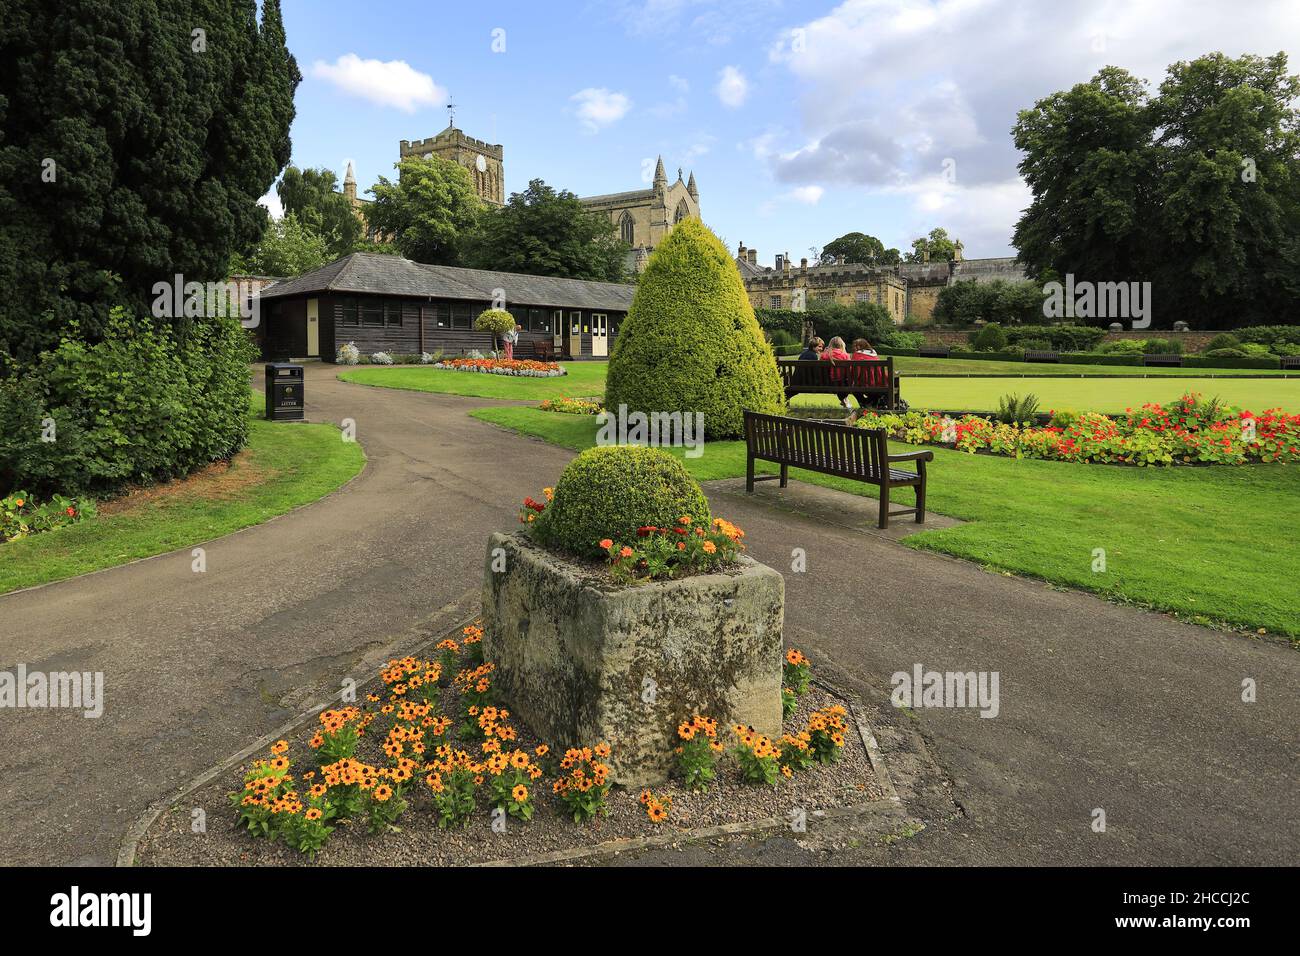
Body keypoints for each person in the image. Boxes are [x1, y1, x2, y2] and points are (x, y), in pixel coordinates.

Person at [819, 336, 852, 409]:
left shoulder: (824, 355)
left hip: (826, 383)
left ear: (830, 344)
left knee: (839, 383)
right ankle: (845, 400)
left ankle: (844, 401)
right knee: (843, 382)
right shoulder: (845, 356)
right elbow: (849, 371)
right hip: (841, 383)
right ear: (842, 344)